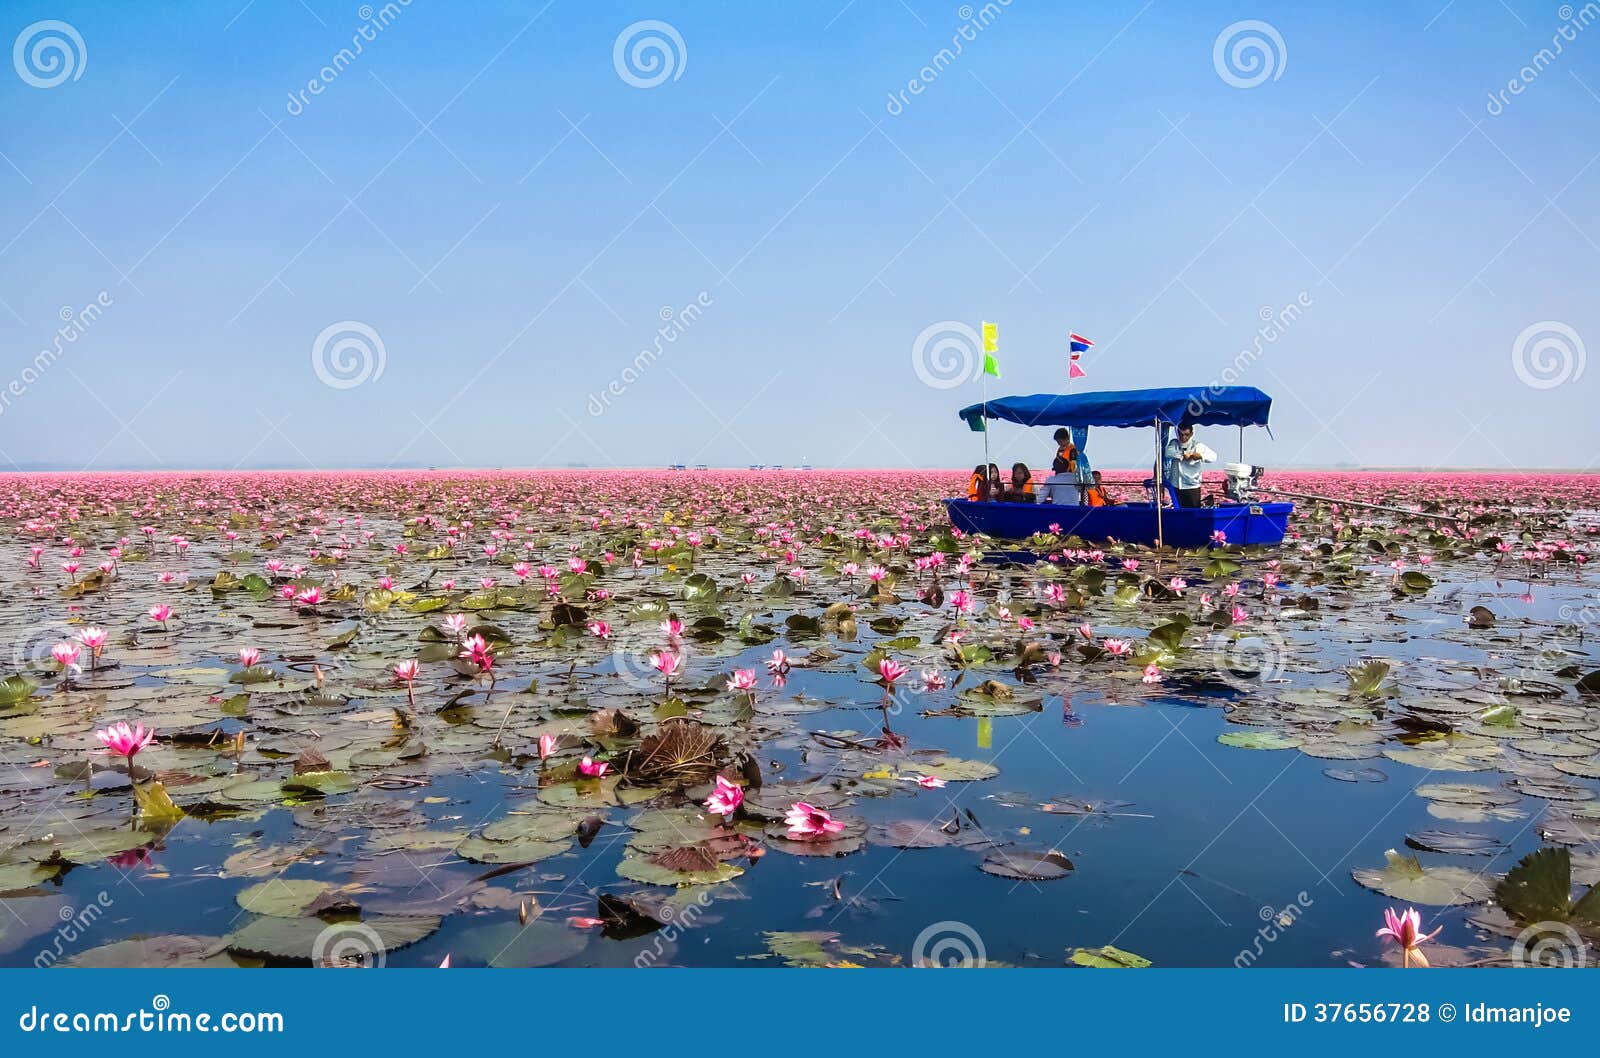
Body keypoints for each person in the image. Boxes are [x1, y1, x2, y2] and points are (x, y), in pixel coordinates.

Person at [1163, 424, 1216, 508]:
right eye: (1181, 435)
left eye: (1186, 435)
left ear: (1191, 434)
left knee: (1193, 511)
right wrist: (1183, 455)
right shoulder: (1174, 443)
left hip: (1192, 485)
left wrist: (1201, 456)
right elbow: (1168, 453)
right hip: (1176, 485)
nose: (1183, 437)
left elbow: (1213, 456)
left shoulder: (1197, 445)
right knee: (1178, 510)